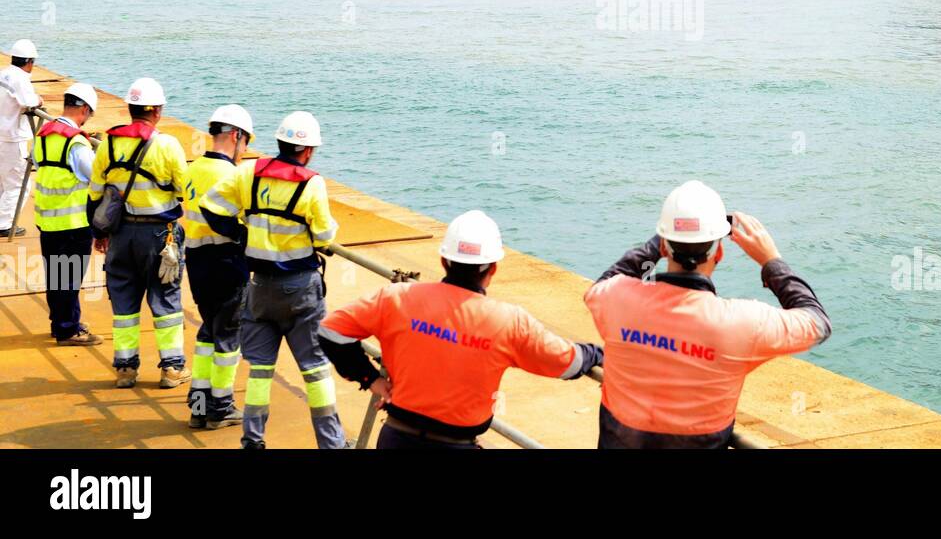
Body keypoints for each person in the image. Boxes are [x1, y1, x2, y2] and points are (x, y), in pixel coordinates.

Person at [318, 210, 603, 449]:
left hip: (396, 437)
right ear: (493, 269)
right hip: (456, 444)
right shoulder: (508, 321)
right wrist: (597, 353)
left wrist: (370, 379)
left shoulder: (396, 298)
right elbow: (568, 363)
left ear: (443, 261)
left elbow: (330, 332)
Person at [584, 180, 832, 449]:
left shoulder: (617, 299)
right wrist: (770, 260)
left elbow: (602, 285)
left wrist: (660, 241)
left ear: (665, 248)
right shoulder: (742, 322)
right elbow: (817, 322)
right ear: (720, 252)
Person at [198, 111, 346, 449]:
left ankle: (252, 440)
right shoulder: (311, 183)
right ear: (307, 151)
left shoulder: (249, 172)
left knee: (260, 371)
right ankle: (331, 444)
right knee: (315, 368)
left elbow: (211, 206)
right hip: (301, 289)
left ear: (279, 142)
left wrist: (242, 235)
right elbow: (324, 236)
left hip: (259, 287)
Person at [87, 77, 191, 389]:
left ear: (130, 109)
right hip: (161, 236)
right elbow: (186, 191)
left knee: (123, 303)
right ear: (157, 110)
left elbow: (95, 194)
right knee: (166, 299)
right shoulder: (168, 145)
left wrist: (100, 232)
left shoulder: (109, 144)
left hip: (120, 235)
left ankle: (125, 369)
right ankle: (172, 368)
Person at [181, 104, 255, 430]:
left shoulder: (192, 169)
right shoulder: (234, 176)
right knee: (228, 336)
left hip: (196, 262)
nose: (245, 151)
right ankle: (221, 407)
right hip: (227, 264)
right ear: (236, 136)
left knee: (207, 332)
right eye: (246, 142)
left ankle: (198, 406)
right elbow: (246, 222)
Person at [32, 83, 101, 346]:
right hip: (73, 223)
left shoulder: (43, 135)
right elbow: (94, 175)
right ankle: (66, 329)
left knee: (56, 275)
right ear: (84, 109)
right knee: (69, 278)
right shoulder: (77, 142)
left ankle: (63, 321)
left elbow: (37, 162)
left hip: (47, 220)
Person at [0, 38, 42, 238]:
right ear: (29, 62)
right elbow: (29, 101)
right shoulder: (20, 78)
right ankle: (4, 225)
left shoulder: (3, 74)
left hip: (1, 135)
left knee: (2, 183)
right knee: (18, 185)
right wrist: (39, 99)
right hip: (12, 138)